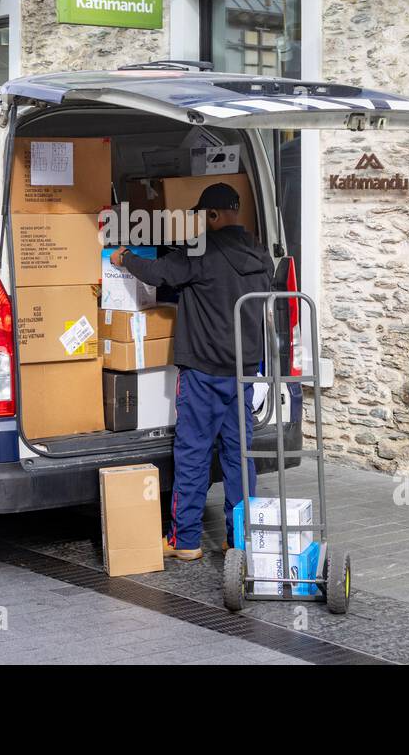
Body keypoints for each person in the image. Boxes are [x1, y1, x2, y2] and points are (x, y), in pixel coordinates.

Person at [110, 182, 272, 561]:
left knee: (193, 452)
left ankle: (185, 541)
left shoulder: (202, 251)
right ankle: (241, 538)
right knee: (240, 454)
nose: (200, 223)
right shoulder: (261, 254)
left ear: (213, 215)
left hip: (203, 371)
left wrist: (124, 259)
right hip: (244, 372)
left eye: (203, 215)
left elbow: (160, 273)